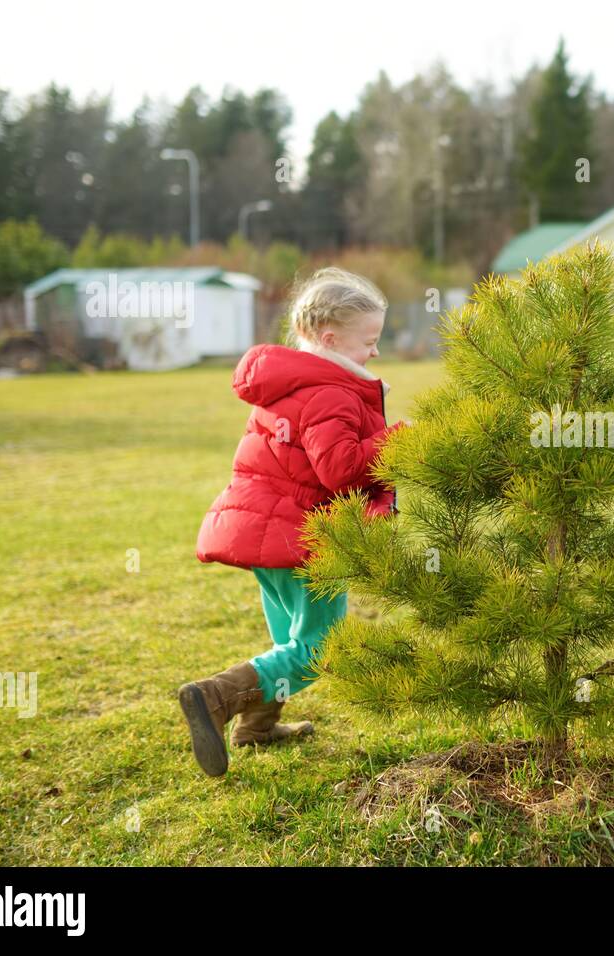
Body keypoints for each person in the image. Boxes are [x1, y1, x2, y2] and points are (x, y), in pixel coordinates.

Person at [182, 266, 406, 777]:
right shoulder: (330, 392)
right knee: (316, 650)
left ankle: (256, 727)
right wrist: (397, 441)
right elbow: (341, 471)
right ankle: (215, 697)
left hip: (268, 539)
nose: (375, 352)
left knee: (290, 643)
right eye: (369, 341)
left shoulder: (287, 384)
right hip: (305, 539)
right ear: (330, 339)